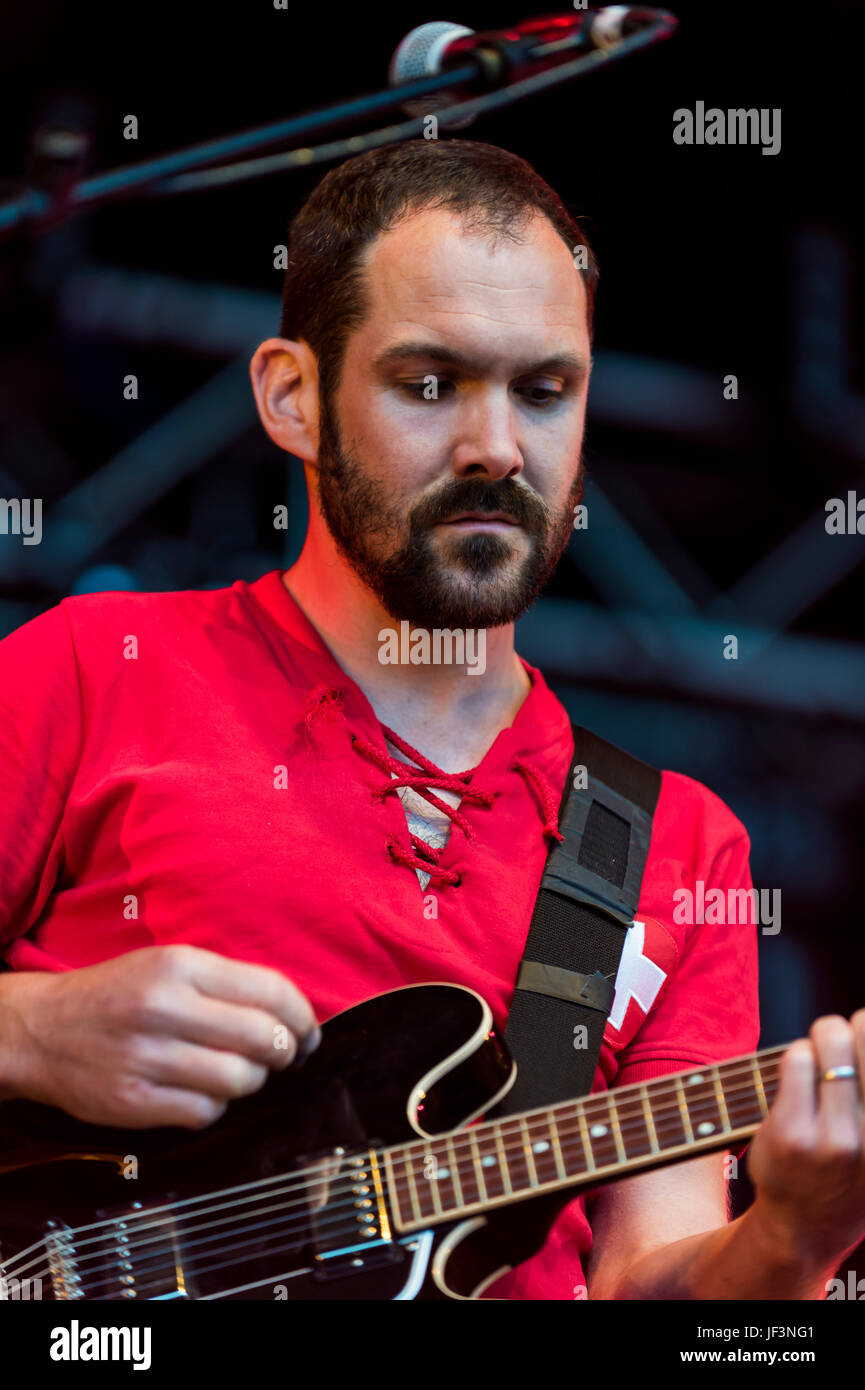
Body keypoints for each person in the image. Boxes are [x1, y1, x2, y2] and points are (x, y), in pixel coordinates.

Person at [0, 138, 863, 1301]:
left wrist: (796, 1239)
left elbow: (648, 1287)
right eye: (428, 383)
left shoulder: (678, 845)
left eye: (544, 391)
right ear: (291, 397)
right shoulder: (93, 669)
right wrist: (32, 1030)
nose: (497, 448)